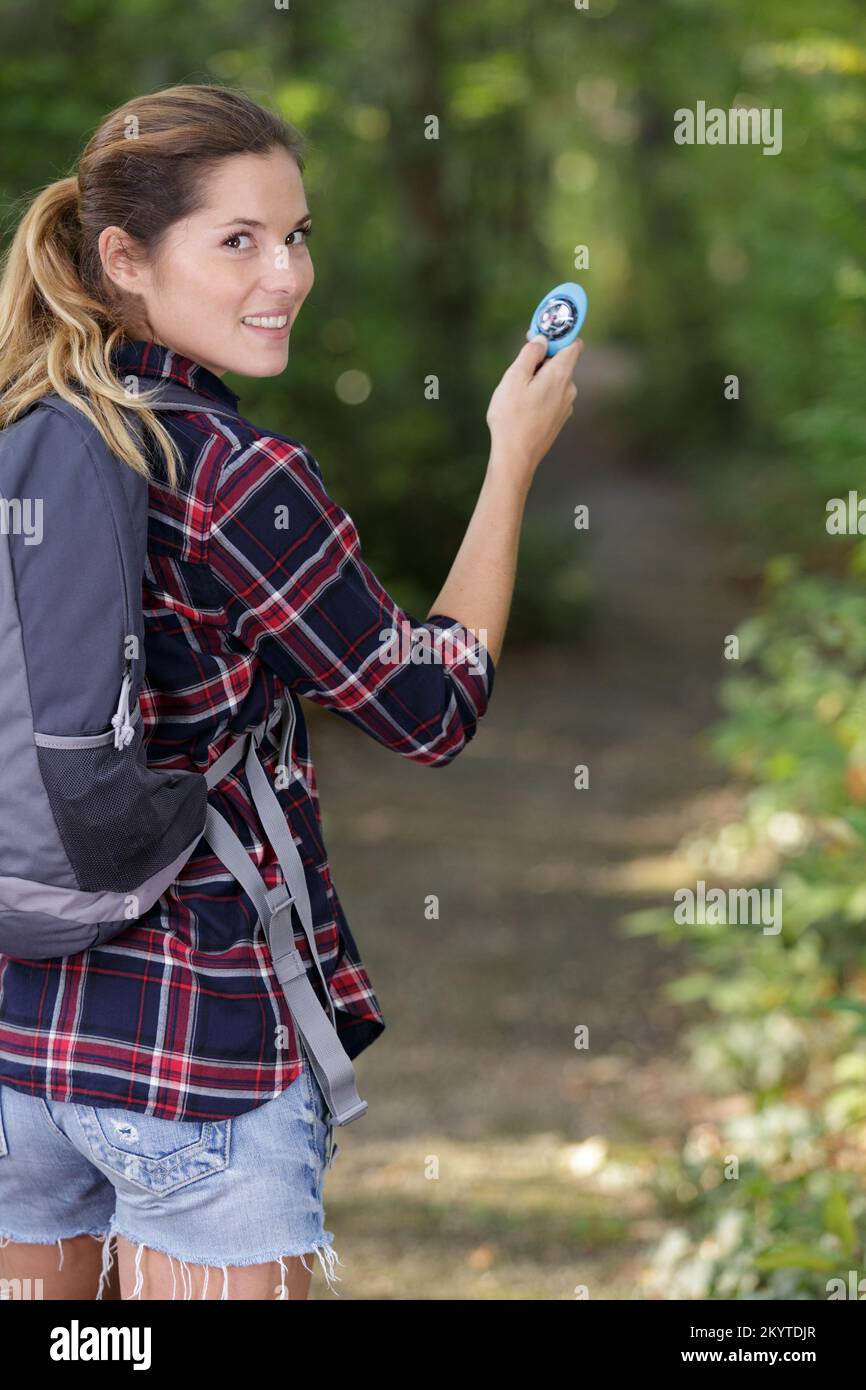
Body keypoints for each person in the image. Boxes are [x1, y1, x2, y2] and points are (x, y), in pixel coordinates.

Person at [0, 82, 582, 1301]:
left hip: (17, 1035)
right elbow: (426, 709)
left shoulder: (20, 430)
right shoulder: (234, 472)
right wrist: (509, 460)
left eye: (297, 233)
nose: (288, 274)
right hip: (191, 1047)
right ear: (124, 258)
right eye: (240, 240)